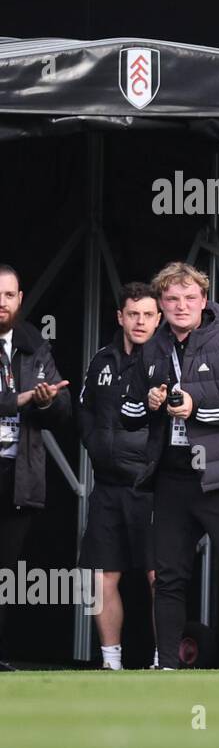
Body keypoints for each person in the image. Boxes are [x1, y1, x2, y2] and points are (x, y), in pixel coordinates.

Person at [119, 262, 219, 669]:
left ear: (204, 300)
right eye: (172, 299)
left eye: (189, 297)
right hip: (173, 477)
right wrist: (151, 404)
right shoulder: (152, 347)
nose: (180, 306)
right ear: (161, 303)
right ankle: (167, 663)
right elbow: (126, 412)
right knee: (169, 577)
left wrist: (195, 410)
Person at [78, 282, 161, 669]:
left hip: (150, 487)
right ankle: (111, 663)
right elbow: (83, 410)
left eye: (147, 314)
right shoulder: (102, 359)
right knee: (100, 576)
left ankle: (165, 659)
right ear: (120, 317)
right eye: (133, 314)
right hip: (108, 486)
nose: (140, 321)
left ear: (158, 318)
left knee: (159, 575)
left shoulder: (166, 360)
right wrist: (96, 444)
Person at [0, 263, 72, 671]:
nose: (1, 302)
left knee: (6, 572)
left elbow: (62, 409)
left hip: (17, 474)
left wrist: (44, 400)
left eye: (8, 295)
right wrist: (18, 400)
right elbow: (13, 398)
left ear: (20, 300)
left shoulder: (34, 345)